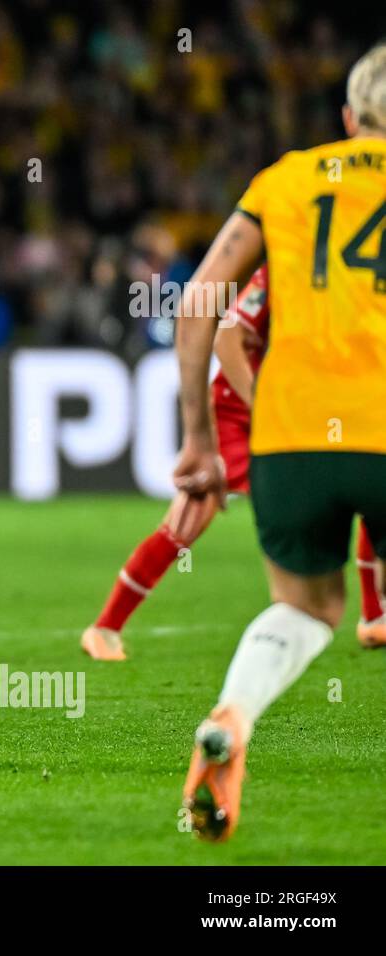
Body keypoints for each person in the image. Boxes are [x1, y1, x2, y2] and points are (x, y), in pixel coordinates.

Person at [174, 44, 386, 840]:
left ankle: (236, 711)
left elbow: (200, 305)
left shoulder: (288, 178)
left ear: (346, 119)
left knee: (306, 606)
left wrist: (200, 440)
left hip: (293, 437)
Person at [82, 264, 386, 660]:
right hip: (239, 412)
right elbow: (228, 340)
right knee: (194, 512)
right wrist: (263, 406)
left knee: (364, 479)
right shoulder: (282, 270)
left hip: (305, 415)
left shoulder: (352, 281)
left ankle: (374, 617)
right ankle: (105, 627)